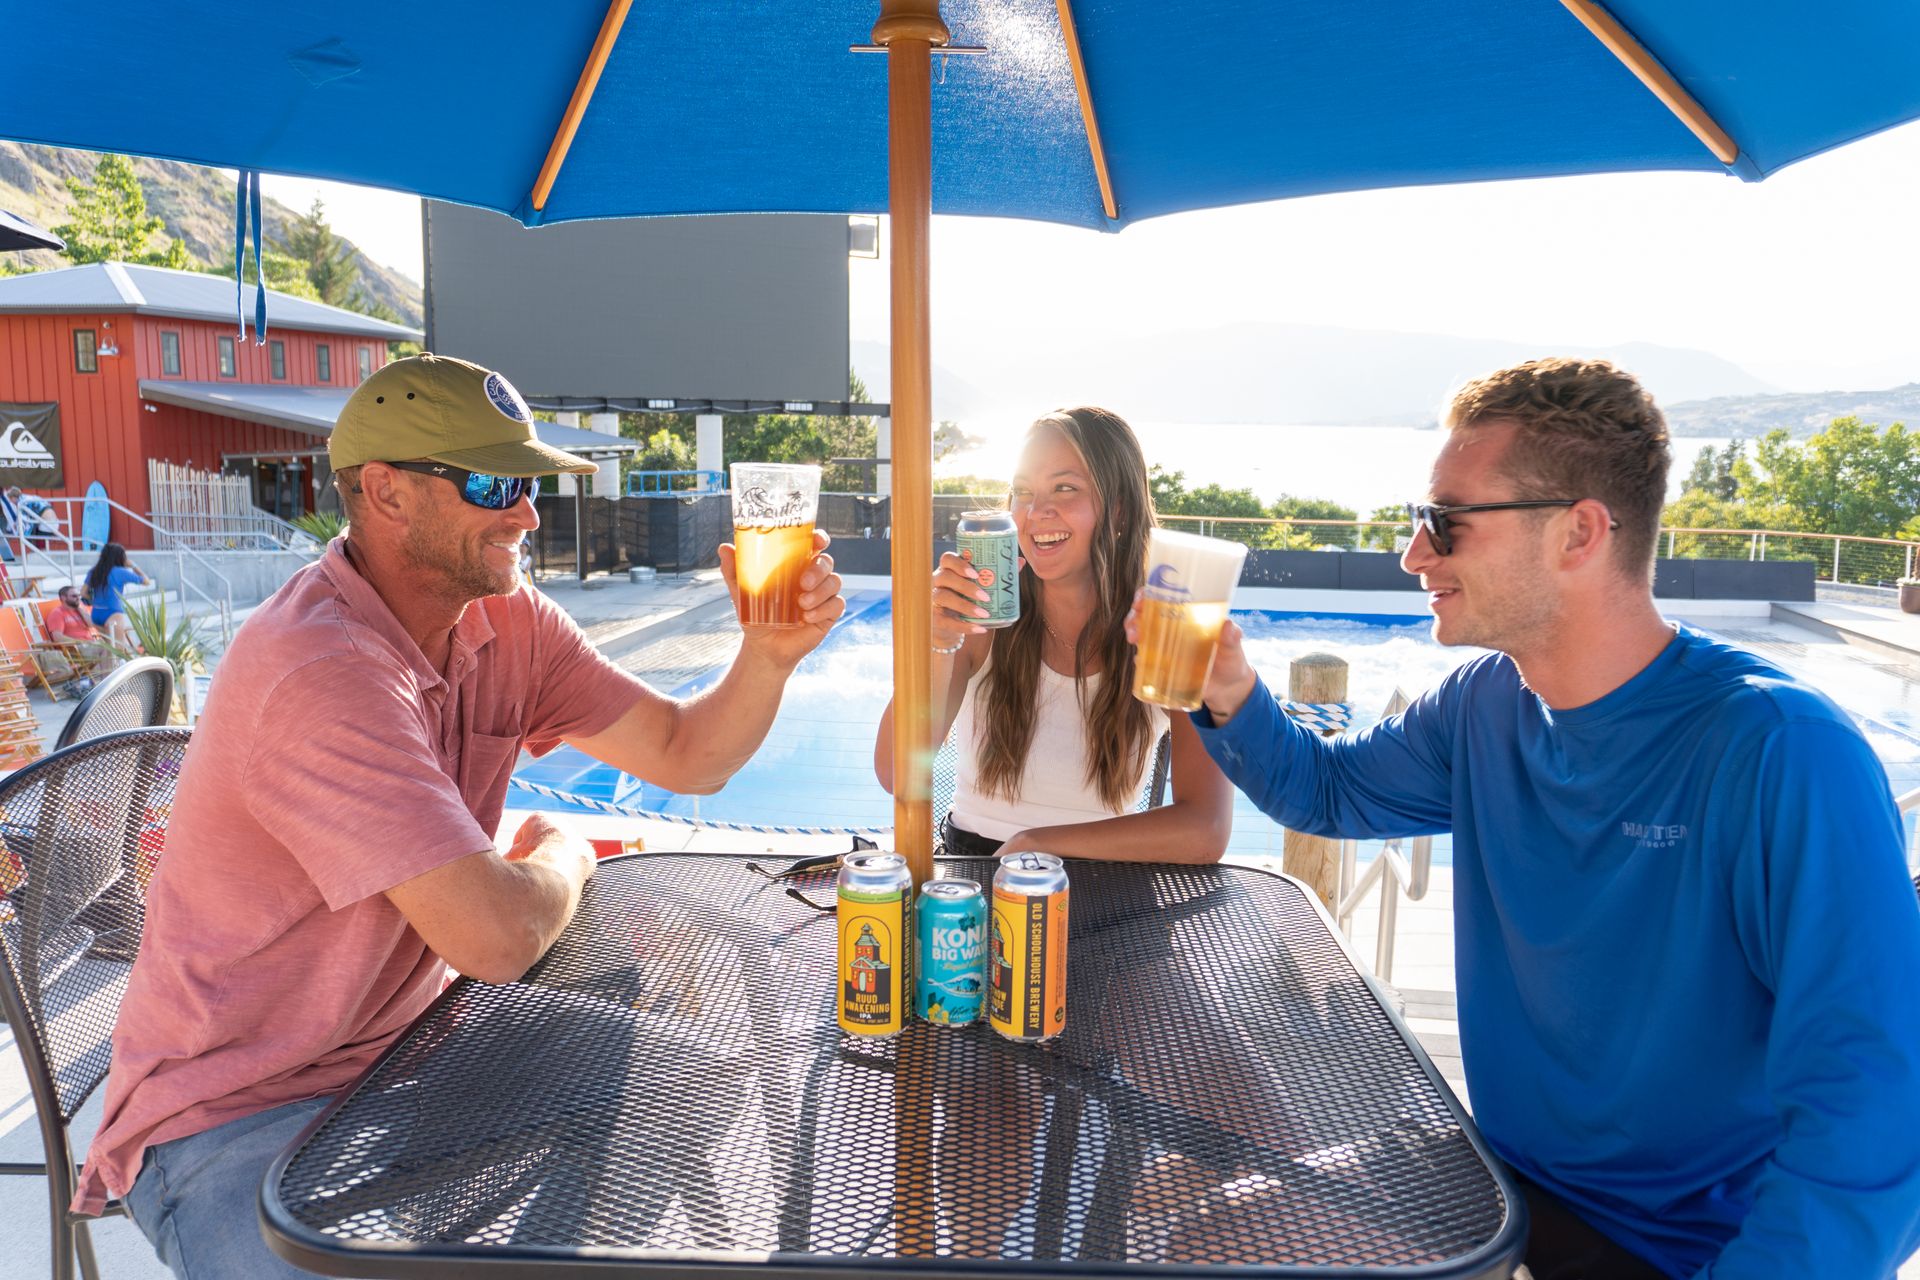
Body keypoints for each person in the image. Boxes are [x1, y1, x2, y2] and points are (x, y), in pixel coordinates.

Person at [71, 352, 846, 1279]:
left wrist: (767, 655)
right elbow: (498, 937)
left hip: (407, 1052)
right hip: (232, 1114)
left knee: (686, 1083)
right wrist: (565, 855)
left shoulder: (509, 620)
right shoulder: (321, 672)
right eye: (493, 484)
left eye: (526, 483)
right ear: (388, 493)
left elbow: (688, 756)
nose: (526, 512)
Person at [1155, 358, 1920, 1278]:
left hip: (1684, 1247)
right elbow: (1331, 793)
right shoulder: (1487, 702)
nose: (1414, 555)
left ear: (1579, 534)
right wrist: (1233, 690)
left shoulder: (1778, 751)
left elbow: (1873, 1115)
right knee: (1192, 1223)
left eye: (1445, 522)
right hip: (1506, 1183)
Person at [874, 405, 1233, 862]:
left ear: (1119, 508)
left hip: (1106, 883)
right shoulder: (982, 622)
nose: (1037, 511)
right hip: (975, 876)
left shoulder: (1166, 628)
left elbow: (1207, 828)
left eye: (1065, 488)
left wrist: (1037, 845)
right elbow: (896, 775)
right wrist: (938, 642)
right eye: (1023, 491)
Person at [39, 582, 113, 684]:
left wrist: (80, 609)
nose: (78, 598)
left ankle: (107, 678)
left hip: (90, 645)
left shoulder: (80, 608)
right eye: (74, 596)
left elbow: (92, 625)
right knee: (107, 647)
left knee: (113, 644)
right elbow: (57, 637)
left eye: (79, 595)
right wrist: (79, 642)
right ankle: (107, 680)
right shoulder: (57, 614)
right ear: (63, 598)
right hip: (76, 649)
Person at [83, 541, 148, 650]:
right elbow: (146, 581)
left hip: (96, 613)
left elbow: (83, 593)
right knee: (118, 650)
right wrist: (133, 565)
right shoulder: (120, 572)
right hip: (113, 613)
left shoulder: (94, 571)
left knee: (108, 649)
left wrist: (96, 601)